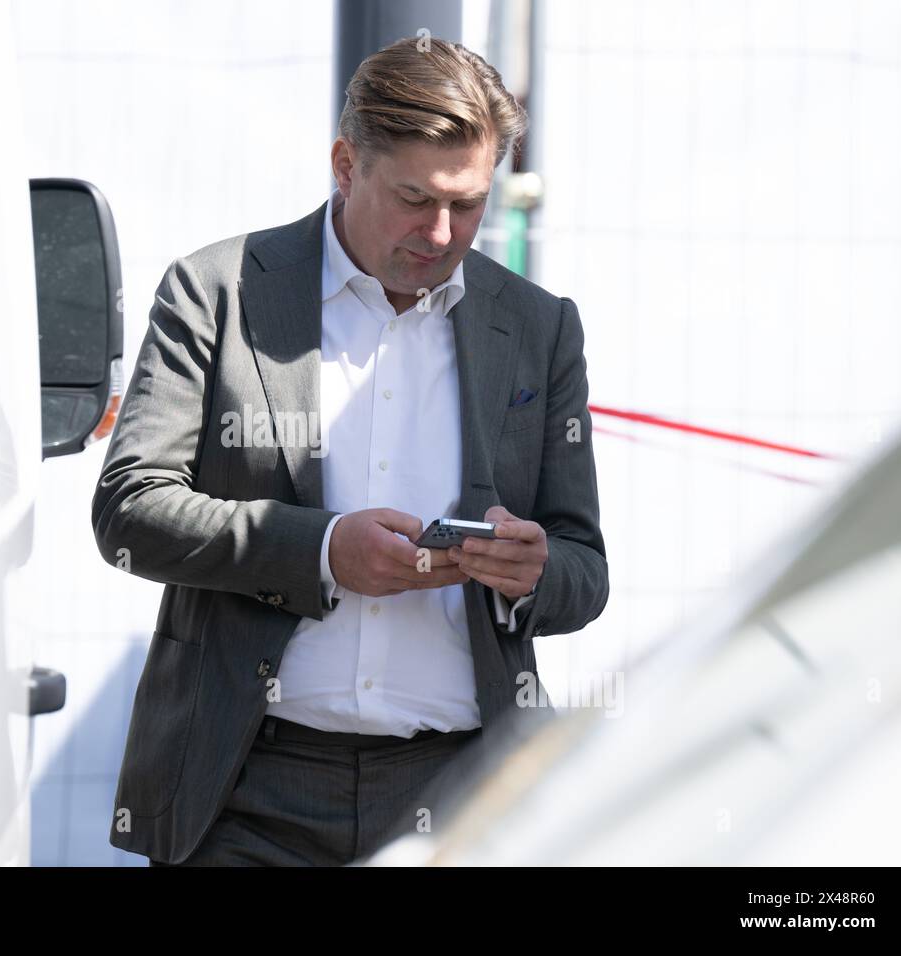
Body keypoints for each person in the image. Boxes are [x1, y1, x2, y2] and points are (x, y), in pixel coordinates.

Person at [92, 36, 608, 866]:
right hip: (243, 791)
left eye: (468, 204)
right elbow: (129, 509)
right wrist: (325, 552)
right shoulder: (217, 291)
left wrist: (533, 571)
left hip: (463, 796)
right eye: (415, 197)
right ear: (345, 163)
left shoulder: (540, 328)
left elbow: (585, 571)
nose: (442, 234)